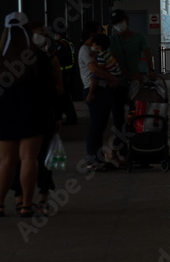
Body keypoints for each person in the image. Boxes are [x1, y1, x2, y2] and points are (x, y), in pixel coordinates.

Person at [0, 12, 58, 219]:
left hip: (5, 115)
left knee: (7, 161)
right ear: (27, 31)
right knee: (29, 159)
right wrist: (54, 117)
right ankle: (26, 205)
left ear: (6, 31)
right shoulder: (39, 58)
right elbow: (49, 91)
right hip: (34, 114)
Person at [9, 24, 63, 214]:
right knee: (26, 159)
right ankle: (24, 198)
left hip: (37, 115)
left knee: (38, 159)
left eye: (43, 35)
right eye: (37, 35)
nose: (41, 38)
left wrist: (57, 114)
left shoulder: (49, 59)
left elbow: (59, 90)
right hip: (34, 115)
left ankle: (39, 196)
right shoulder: (21, 59)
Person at [107, 9, 156, 167]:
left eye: (120, 21)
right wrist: (131, 75)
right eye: (115, 23)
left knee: (137, 118)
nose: (118, 25)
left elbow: (147, 53)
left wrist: (151, 70)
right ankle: (121, 152)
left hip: (135, 86)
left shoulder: (139, 37)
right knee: (119, 120)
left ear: (127, 20)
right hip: (116, 85)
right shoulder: (112, 41)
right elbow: (113, 63)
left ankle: (134, 151)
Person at [78, 22, 120, 171]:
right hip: (92, 89)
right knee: (96, 125)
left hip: (101, 89)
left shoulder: (94, 50)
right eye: (98, 32)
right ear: (91, 35)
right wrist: (112, 78)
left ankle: (98, 157)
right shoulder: (85, 50)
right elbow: (95, 70)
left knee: (101, 124)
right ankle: (92, 159)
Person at [54, 27, 79, 124]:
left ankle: (71, 117)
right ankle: (66, 117)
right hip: (70, 72)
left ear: (58, 35)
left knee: (64, 96)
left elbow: (60, 58)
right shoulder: (69, 42)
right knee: (64, 96)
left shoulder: (62, 44)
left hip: (64, 73)